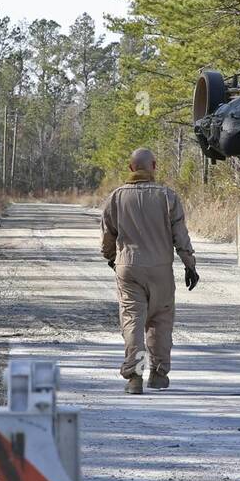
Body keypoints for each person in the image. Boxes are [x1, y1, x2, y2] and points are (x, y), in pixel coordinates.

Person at [100, 148, 199, 394]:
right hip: (161, 269)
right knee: (160, 322)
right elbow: (181, 236)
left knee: (134, 321)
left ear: (131, 168)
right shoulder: (168, 197)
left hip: (129, 267)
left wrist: (113, 259)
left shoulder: (116, 197)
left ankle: (135, 377)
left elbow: (107, 236)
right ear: (154, 166)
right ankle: (158, 374)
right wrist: (189, 264)